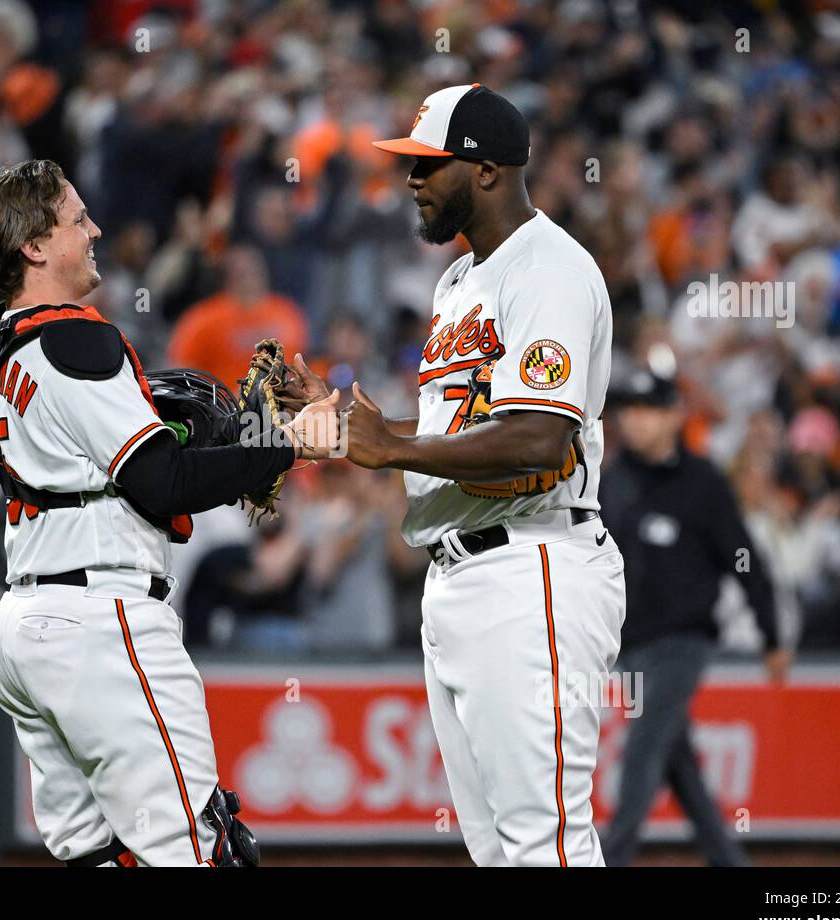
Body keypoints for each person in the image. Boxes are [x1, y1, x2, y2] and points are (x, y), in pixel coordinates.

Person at [0, 159, 339, 866]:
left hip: (25, 626)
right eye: (77, 218)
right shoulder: (75, 335)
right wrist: (284, 447)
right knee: (201, 851)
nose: (96, 227)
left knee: (101, 856)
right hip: (100, 621)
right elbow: (161, 482)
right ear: (35, 248)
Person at [339, 84, 627, 866]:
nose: (412, 181)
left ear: (489, 171)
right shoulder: (458, 281)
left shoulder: (550, 270)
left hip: (532, 569)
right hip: (464, 575)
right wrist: (341, 430)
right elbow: (455, 434)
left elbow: (538, 437)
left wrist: (391, 447)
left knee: (546, 843)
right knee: (499, 852)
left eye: (429, 166)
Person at [598, 366, 789, 867]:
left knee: (641, 752)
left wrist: (772, 636)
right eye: (629, 411)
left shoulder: (702, 482)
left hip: (684, 641)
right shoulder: (612, 482)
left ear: (675, 416)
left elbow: (744, 558)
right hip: (631, 644)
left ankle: (606, 859)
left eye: (647, 410)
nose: (635, 422)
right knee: (677, 764)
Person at [166, 245, 308, 385]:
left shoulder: (287, 313)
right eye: (242, 274)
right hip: (225, 403)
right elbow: (181, 371)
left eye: (254, 272)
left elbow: (301, 365)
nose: (250, 279)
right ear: (226, 277)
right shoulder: (203, 320)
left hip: (279, 402)